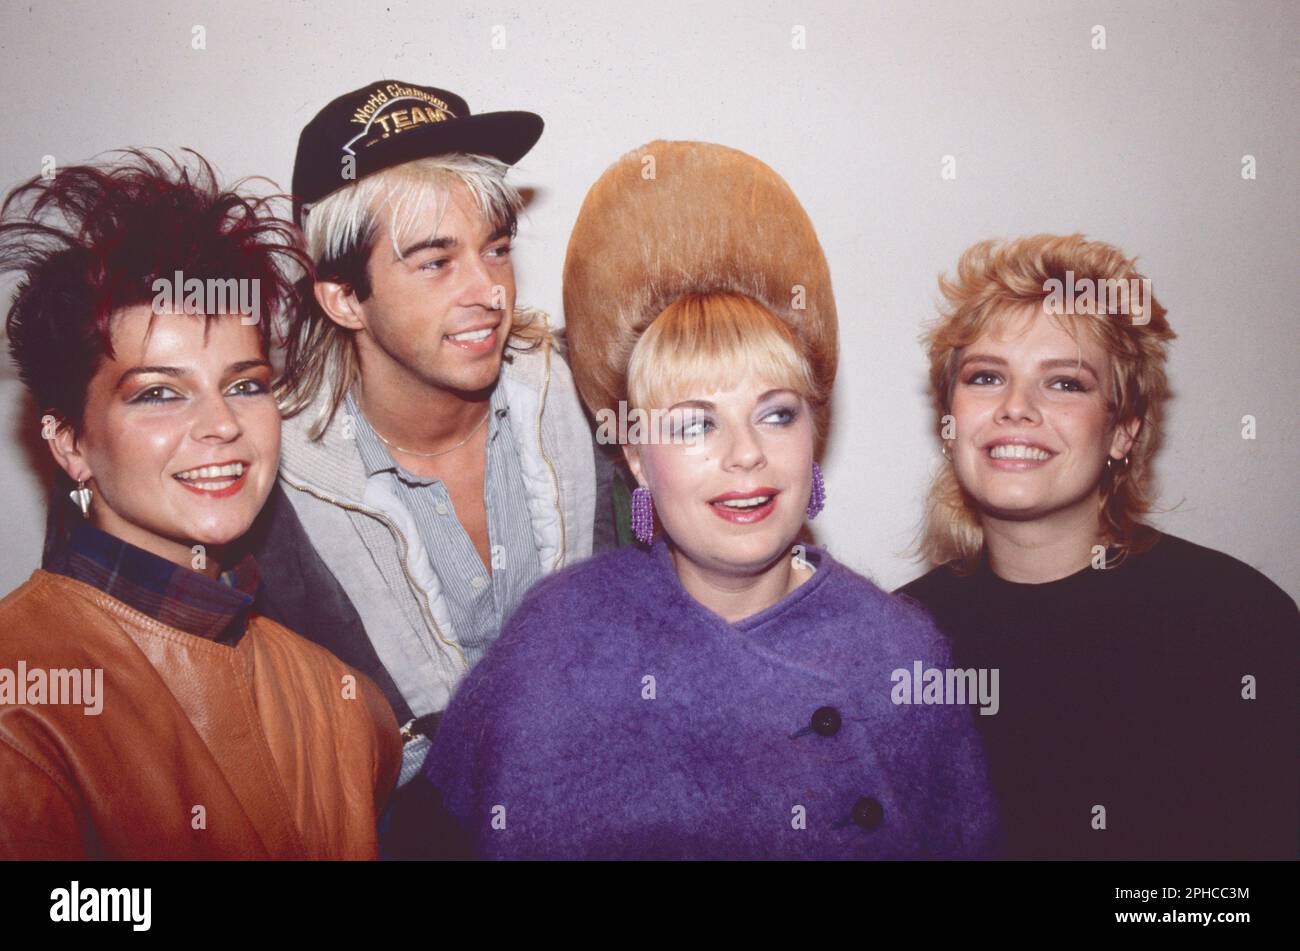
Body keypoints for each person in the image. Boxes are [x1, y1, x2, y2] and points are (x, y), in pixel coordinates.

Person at [419, 141, 1002, 859]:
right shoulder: (555, 645)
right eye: (695, 422)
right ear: (635, 456)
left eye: (777, 412)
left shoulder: (903, 658)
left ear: (813, 434)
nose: (745, 452)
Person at [0, 149, 401, 859]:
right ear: (68, 443)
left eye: (245, 383)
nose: (222, 423)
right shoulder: (22, 691)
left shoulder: (338, 699)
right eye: (159, 392)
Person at [896, 234, 1299, 860]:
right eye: (986, 377)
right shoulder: (898, 638)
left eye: (1065, 384)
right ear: (950, 422)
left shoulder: (1237, 621)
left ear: (1122, 432)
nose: (1015, 409)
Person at [252, 81, 606, 792]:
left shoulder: (588, 398)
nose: (489, 289)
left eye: (497, 249)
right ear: (344, 296)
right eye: (436, 261)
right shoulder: (268, 489)